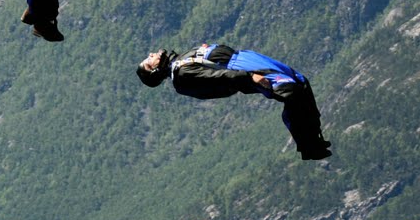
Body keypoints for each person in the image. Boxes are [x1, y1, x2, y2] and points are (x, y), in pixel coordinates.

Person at [137, 43, 332, 160]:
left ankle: (314, 140)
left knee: (300, 81)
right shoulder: (181, 73)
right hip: (243, 68)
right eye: (148, 61)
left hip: (244, 58)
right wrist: (249, 78)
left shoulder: (180, 61)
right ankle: (309, 147)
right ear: (155, 71)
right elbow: (220, 77)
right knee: (291, 92)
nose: (151, 55)